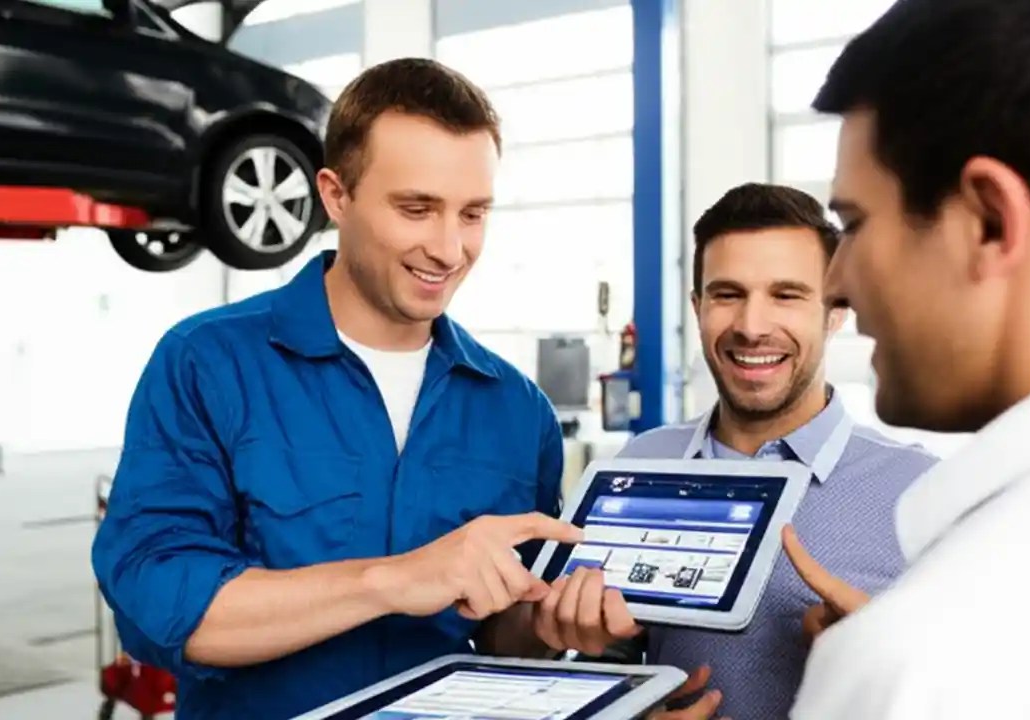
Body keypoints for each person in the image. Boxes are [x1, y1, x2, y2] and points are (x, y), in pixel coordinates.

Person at [91, 58, 636, 720]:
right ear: (336, 195)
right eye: (417, 208)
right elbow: (161, 609)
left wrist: (550, 631)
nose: (449, 248)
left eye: (473, 214)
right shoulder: (208, 363)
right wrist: (400, 580)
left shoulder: (517, 411)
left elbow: (499, 630)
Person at [777, 0, 1030, 716]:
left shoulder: (918, 663)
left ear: (989, 221)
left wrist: (878, 673)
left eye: (854, 223)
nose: (836, 282)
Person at [612, 183, 937, 719]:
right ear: (698, 308)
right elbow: (606, 657)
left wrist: (886, 656)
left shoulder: (921, 493)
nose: (751, 327)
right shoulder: (640, 464)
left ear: (836, 311)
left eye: (786, 295)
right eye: (727, 294)